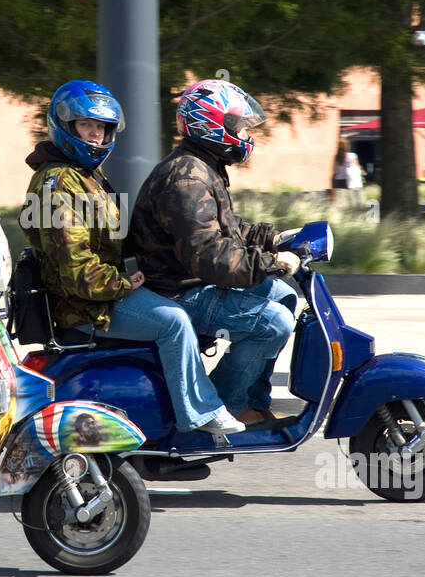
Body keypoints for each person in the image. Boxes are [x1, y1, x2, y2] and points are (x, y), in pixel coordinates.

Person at [21, 79, 243, 439]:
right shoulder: (58, 183)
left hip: (99, 294)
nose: (95, 135)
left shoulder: (84, 175)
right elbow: (75, 268)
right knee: (173, 322)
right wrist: (123, 283)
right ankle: (199, 416)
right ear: (65, 125)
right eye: (86, 126)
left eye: (101, 128)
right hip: (84, 305)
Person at [127, 79, 300, 426]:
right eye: (236, 126)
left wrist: (272, 239)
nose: (244, 135)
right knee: (272, 322)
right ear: (209, 125)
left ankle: (254, 402)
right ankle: (226, 405)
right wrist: (268, 263)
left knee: (284, 297)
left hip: (192, 281)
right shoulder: (186, 177)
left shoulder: (202, 166)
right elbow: (205, 253)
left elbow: (226, 228)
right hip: (177, 290)